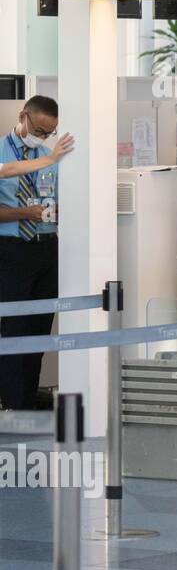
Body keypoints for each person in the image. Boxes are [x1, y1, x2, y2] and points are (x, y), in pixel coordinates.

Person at [0, 95, 76, 411]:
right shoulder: (5, 155)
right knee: (14, 328)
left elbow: (58, 201)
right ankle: (12, 400)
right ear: (24, 116)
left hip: (46, 248)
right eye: (41, 130)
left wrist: (58, 211)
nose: (43, 137)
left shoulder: (50, 157)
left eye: (49, 132)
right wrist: (23, 214)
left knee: (40, 326)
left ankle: (28, 396)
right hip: (12, 250)